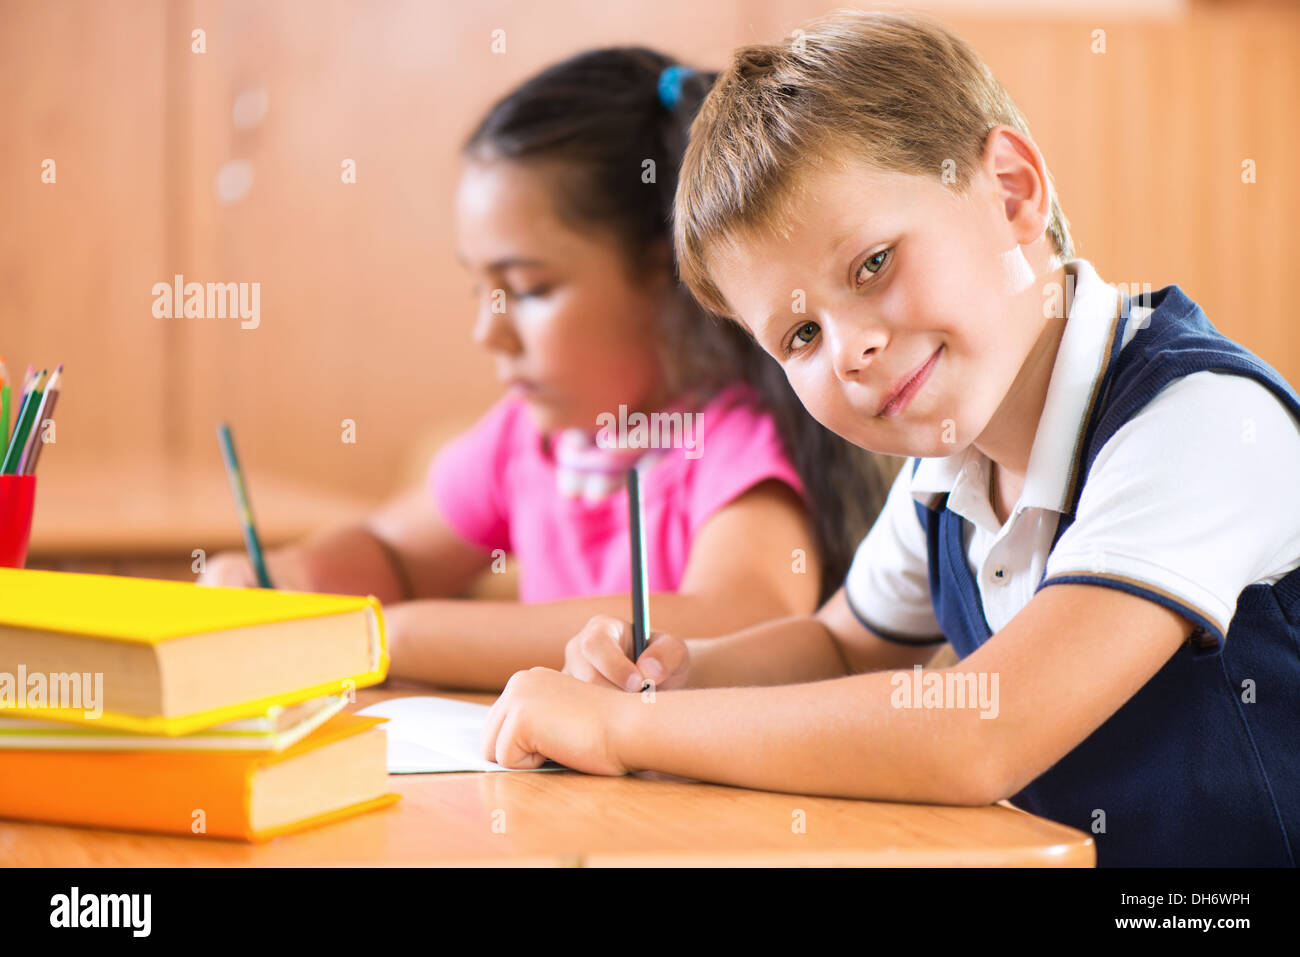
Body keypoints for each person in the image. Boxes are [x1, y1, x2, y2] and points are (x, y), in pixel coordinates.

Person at [483, 12, 1300, 866]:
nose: (850, 351)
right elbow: (838, 644)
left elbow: (984, 729)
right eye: (799, 335)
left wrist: (627, 728)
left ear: (1014, 194)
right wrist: (675, 675)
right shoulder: (949, 465)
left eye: (873, 264)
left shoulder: (1199, 418)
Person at [200, 47, 891, 692]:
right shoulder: (523, 441)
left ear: (669, 281)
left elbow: (745, 617)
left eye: (526, 289)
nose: (487, 330)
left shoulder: (728, 445)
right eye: (480, 289)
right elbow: (393, 551)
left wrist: (387, 636)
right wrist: (285, 581)